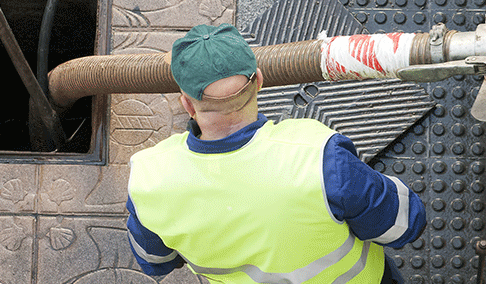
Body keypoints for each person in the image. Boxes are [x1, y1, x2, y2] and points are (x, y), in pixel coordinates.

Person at [126, 23, 426, 284]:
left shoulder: (149, 179)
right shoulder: (318, 157)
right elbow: (404, 224)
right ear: (258, 80)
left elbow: (156, 262)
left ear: (187, 105)